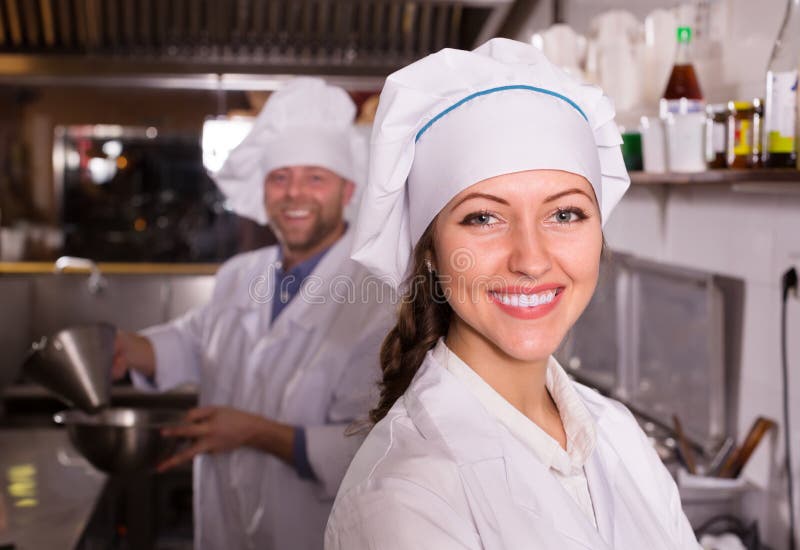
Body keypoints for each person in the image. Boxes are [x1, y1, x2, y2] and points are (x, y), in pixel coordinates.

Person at [325, 39, 701, 549]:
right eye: (484, 217)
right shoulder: (404, 497)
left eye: (564, 214)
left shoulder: (618, 434)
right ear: (431, 251)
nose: (531, 259)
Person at [113, 77, 394, 550]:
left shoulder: (379, 295)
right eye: (280, 178)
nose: (294, 193)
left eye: (315, 178)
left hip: (308, 530)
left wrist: (255, 433)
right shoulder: (240, 274)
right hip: (223, 524)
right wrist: (120, 348)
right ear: (263, 194)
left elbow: (375, 447)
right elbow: (192, 341)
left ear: (348, 191)